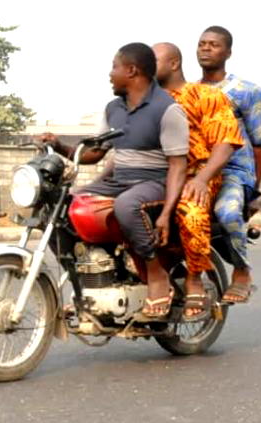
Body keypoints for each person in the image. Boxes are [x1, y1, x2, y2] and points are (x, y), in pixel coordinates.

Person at [38, 43, 189, 319]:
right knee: (58, 206)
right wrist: (59, 146)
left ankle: (157, 275)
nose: (110, 74)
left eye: (114, 67)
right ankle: (84, 283)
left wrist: (166, 213)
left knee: (126, 205)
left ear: (131, 71)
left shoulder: (167, 109)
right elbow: (94, 153)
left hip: (155, 180)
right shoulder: (113, 109)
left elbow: (178, 166)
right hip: (120, 179)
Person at [153, 42, 242, 320]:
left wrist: (203, 179)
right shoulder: (147, 101)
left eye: (152, 60)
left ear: (174, 63)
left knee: (190, 209)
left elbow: (225, 142)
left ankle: (195, 277)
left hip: (197, 173)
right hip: (155, 177)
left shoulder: (203, 95)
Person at [196, 26, 261, 305]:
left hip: (233, 173)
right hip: (196, 171)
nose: (205, 48)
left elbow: (259, 144)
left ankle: (241, 271)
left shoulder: (248, 92)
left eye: (213, 45)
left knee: (226, 213)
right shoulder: (187, 92)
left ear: (228, 52)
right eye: (202, 44)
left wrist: (254, 193)